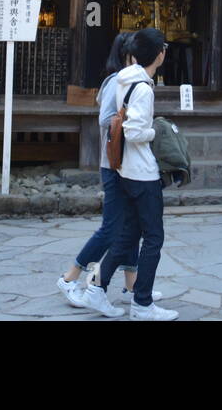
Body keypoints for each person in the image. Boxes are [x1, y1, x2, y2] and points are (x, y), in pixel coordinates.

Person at [58, 33, 166, 307]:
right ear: (127, 55)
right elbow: (106, 120)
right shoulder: (118, 83)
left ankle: (131, 286)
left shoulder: (130, 81)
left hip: (124, 164)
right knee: (112, 228)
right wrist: (132, 119)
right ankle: (70, 278)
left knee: (130, 228)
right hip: (114, 164)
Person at [80, 27, 180, 319]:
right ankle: (143, 303)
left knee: (129, 235)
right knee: (153, 238)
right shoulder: (144, 88)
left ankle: (96, 288)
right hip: (142, 172)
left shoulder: (124, 79)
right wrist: (156, 131)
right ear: (159, 54)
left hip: (124, 168)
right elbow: (135, 132)